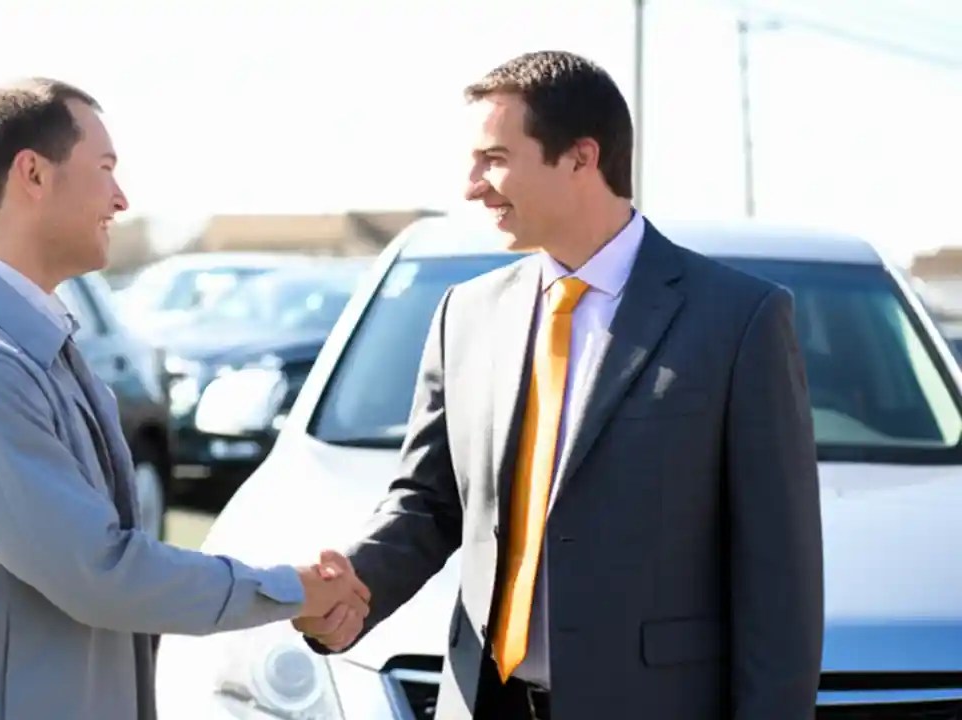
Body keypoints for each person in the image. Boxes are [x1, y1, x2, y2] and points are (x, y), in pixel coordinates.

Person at [294, 50, 824, 719]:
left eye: (494, 158)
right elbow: (428, 503)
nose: (471, 186)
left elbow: (780, 576)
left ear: (580, 157)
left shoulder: (739, 320)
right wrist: (353, 586)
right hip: (484, 701)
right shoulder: (467, 313)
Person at [0, 78, 368, 720]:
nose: (120, 199)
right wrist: (291, 589)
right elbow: (101, 574)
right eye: (104, 170)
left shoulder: (29, 342)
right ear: (33, 174)